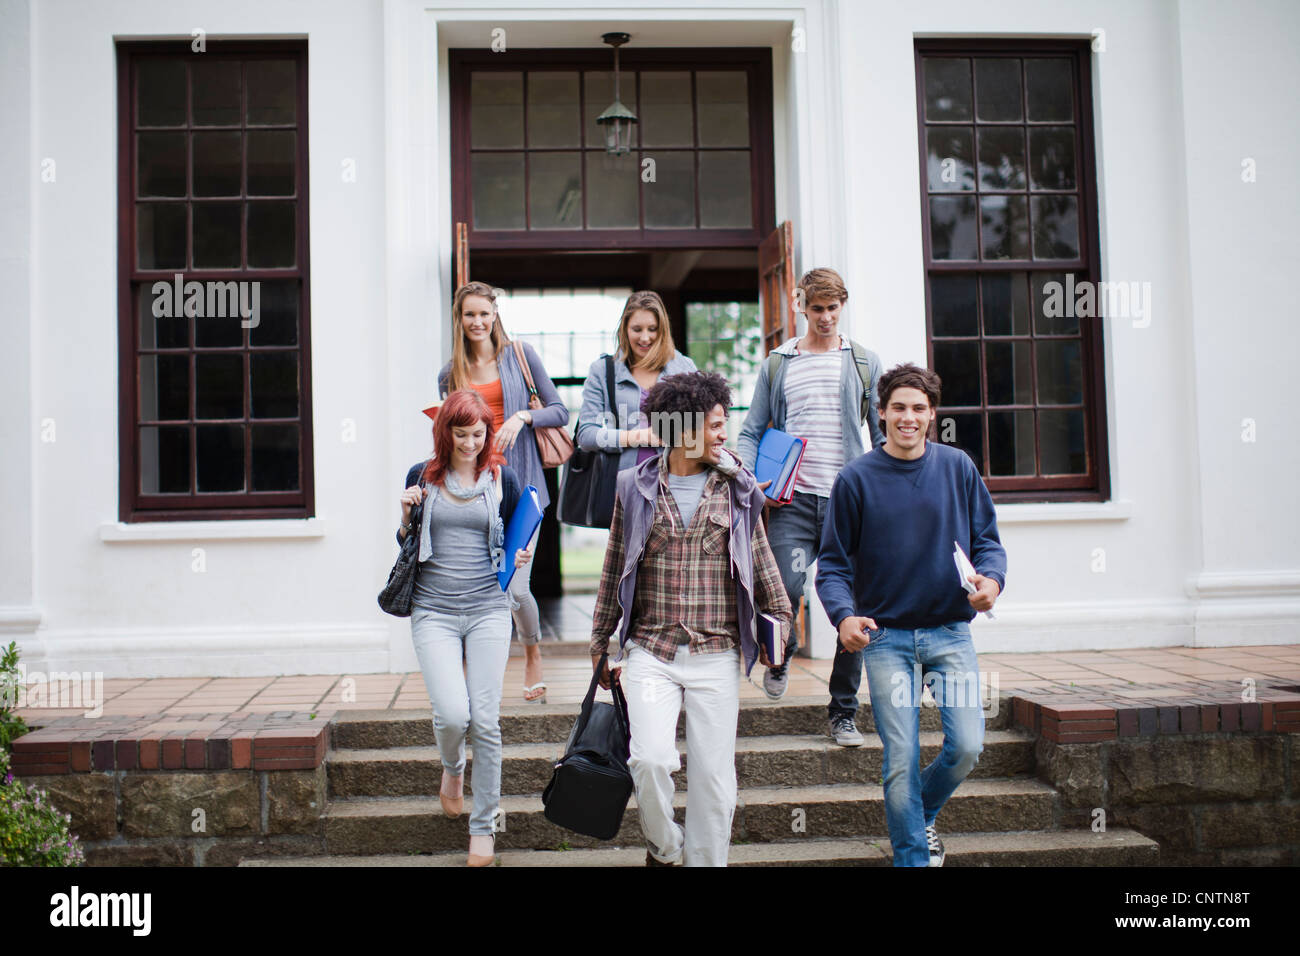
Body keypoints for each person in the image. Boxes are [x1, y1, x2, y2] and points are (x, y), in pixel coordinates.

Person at [589, 371, 792, 867]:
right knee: (651, 759)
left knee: (714, 783)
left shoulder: (737, 488)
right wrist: (600, 643)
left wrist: (780, 621)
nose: (725, 434)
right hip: (650, 650)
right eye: (716, 424)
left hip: (716, 652)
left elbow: (761, 560)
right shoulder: (631, 488)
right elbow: (615, 563)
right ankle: (666, 847)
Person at [815, 363, 1006, 867]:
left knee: (966, 746)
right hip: (886, 640)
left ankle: (919, 817)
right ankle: (913, 858)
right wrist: (843, 617)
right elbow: (832, 566)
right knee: (899, 760)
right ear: (881, 414)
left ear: (932, 415)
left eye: (918, 408)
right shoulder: (855, 479)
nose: (908, 417)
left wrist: (991, 582)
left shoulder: (957, 467)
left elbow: (988, 544)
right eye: (898, 407)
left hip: (949, 632)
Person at [736, 267, 885, 741]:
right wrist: (749, 479)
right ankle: (783, 651)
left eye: (832, 308)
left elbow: (881, 437)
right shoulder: (778, 363)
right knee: (783, 591)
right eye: (816, 308)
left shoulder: (863, 362)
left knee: (854, 609)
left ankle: (843, 711)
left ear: (843, 306)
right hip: (792, 502)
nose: (825, 317)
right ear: (800, 305)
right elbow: (750, 430)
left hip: (848, 503)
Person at [398, 389, 533, 868]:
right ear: (445, 433)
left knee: (487, 720)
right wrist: (407, 512)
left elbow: (516, 537)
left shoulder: (503, 478)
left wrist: (516, 558)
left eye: (479, 434)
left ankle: (483, 829)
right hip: (433, 609)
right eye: (462, 434)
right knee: (454, 715)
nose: (472, 443)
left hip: (487, 608)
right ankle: (453, 769)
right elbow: (406, 542)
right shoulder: (423, 476)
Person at [438, 281, 569, 702]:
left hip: (524, 490)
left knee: (514, 587)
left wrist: (523, 417)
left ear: (495, 316)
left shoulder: (519, 356)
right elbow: (448, 436)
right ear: (459, 320)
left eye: (484, 313)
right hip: (477, 495)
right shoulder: (450, 374)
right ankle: (478, 673)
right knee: (478, 585)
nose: (477, 322)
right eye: (469, 315)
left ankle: (532, 653)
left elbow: (560, 410)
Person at [576, 290, 697, 477]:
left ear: (663, 329)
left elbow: (699, 431)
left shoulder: (684, 367)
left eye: (652, 329)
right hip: (622, 485)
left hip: (675, 484)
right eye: (637, 329)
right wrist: (637, 436)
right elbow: (586, 435)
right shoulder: (602, 370)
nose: (645, 338)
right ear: (625, 329)